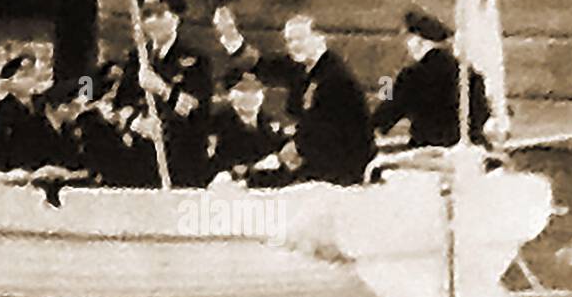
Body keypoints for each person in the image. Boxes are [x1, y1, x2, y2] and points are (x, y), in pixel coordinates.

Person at [115, 0, 214, 187]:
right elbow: (121, 103)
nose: (152, 21)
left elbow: (193, 108)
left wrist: (161, 88)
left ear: (176, 18)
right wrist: (136, 122)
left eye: (160, 13)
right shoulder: (137, 58)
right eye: (147, 14)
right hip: (142, 155)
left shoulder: (195, 60)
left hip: (182, 157)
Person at [276, 15, 375, 186]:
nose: (293, 45)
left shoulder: (334, 77)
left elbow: (328, 130)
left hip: (340, 170)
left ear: (319, 38)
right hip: (320, 158)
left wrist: (295, 146)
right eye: (289, 40)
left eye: (299, 38)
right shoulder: (309, 72)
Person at [371, 10, 490, 148]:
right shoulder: (469, 72)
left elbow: (386, 114)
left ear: (417, 41)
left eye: (407, 39)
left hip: (428, 153)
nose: (406, 46)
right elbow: (483, 112)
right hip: (469, 151)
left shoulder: (412, 76)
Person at [207, 68, 290, 186]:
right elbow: (214, 159)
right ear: (231, 95)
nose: (251, 97)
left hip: (267, 185)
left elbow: (279, 149)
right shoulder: (218, 123)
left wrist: (277, 158)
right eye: (244, 91)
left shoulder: (270, 120)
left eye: (256, 91)